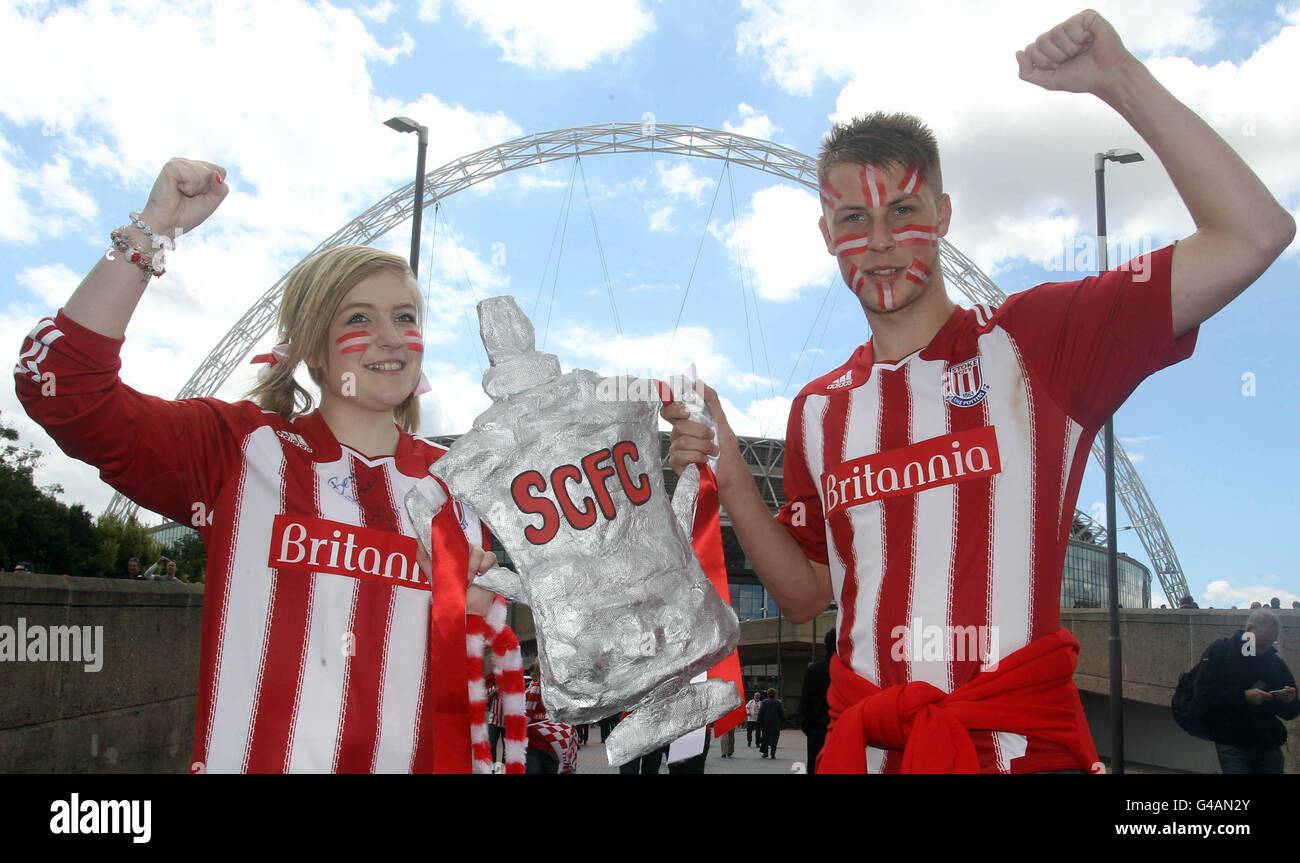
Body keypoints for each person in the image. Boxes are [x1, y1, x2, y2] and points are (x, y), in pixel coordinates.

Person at [663, 10, 1294, 774]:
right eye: (855, 218)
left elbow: (1252, 233)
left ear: (944, 216)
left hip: (1024, 752)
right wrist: (732, 474)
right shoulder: (821, 410)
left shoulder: (1038, 343)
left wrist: (1119, 79)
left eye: (903, 211)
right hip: (871, 749)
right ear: (826, 232)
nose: (883, 240)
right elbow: (807, 595)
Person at [16, 158, 498, 773]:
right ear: (313, 350)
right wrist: (153, 227)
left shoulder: (467, 481)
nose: (392, 337)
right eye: (359, 318)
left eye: (405, 317)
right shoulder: (240, 451)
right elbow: (60, 384)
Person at [1193, 609, 1298, 774]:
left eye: (1273, 642)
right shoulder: (1221, 651)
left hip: (1267, 741)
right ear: (1250, 630)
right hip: (1232, 740)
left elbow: (1290, 712)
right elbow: (1203, 695)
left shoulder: (1274, 663)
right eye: (1265, 640)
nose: (1268, 646)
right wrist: (1243, 697)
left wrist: (1289, 700)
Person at [801, 628, 835, 773]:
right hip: (841, 734)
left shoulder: (814, 671)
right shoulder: (849, 671)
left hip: (817, 734)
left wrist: (811, 730)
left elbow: (804, 706)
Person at [757, 688, 784, 759]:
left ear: (768, 694)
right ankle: (773, 753)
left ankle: (765, 753)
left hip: (766, 724)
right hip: (775, 723)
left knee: (765, 738)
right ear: (775, 694)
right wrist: (783, 722)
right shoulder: (778, 702)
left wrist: (759, 722)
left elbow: (761, 713)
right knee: (775, 738)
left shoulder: (764, 702)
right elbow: (781, 713)